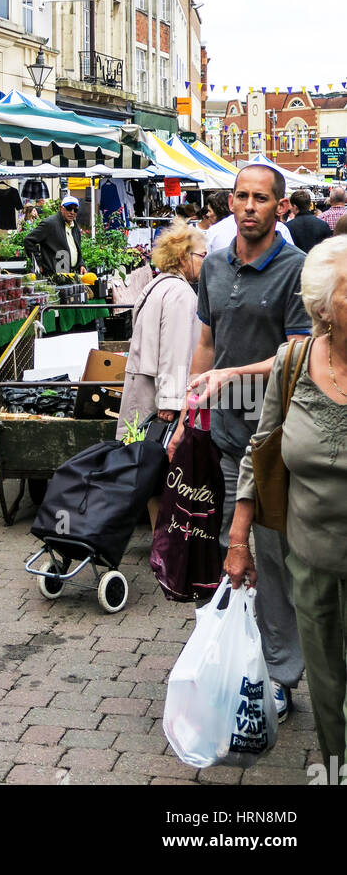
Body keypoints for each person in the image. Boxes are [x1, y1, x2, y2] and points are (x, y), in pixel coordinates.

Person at [173, 163, 310, 720]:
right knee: (233, 553)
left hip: (277, 442)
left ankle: (282, 676)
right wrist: (188, 408)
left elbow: (298, 354)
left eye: (261, 198)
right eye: (241, 196)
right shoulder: (216, 267)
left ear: (280, 207)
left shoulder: (297, 270)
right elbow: (207, 340)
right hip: (227, 437)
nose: (249, 206)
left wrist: (233, 375)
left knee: (275, 562)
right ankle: (236, 660)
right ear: (230, 203)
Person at [226, 236, 347, 770]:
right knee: (327, 693)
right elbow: (261, 450)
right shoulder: (293, 361)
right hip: (312, 562)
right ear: (325, 308)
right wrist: (238, 539)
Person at [115, 221, 207, 526]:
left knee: (150, 471)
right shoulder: (180, 294)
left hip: (145, 391)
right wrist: (170, 403)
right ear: (183, 257)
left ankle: (160, 536)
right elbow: (175, 351)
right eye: (201, 256)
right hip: (158, 399)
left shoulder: (159, 285)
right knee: (164, 469)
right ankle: (166, 539)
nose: (205, 262)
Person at [23, 193, 86, 275]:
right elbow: (28, 241)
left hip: (71, 274)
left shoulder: (75, 226)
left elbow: (76, 248)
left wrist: (81, 264)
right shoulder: (50, 223)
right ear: (61, 209)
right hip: (54, 276)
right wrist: (39, 262)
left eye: (75, 210)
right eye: (69, 208)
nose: (72, 212)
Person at [287, 189, 331, 254]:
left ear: (295, 207)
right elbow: (328, 249)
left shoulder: (288, 227)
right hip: (318, 261)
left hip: (297, 262)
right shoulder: (323, 225)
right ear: (309, 205)